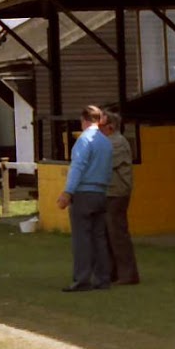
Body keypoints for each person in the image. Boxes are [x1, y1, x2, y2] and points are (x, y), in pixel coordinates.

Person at [56, 104, 113, 291]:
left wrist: (68, 192)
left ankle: (82, 279)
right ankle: (103, 277)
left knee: (82, 238)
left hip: (84, 192)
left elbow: (78, 167)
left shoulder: (84, 140)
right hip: (101, 192)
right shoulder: (106, 142)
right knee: (99, 238)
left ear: (84, 120)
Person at [101, 111, 140, 285]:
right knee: (108, 233)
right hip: (108, 192)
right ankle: (112, 272)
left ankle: (128, 274)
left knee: (117, 233)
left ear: (110, 126)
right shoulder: (107, 142)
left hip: (117, 193)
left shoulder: (117, 143)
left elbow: (102, 164)